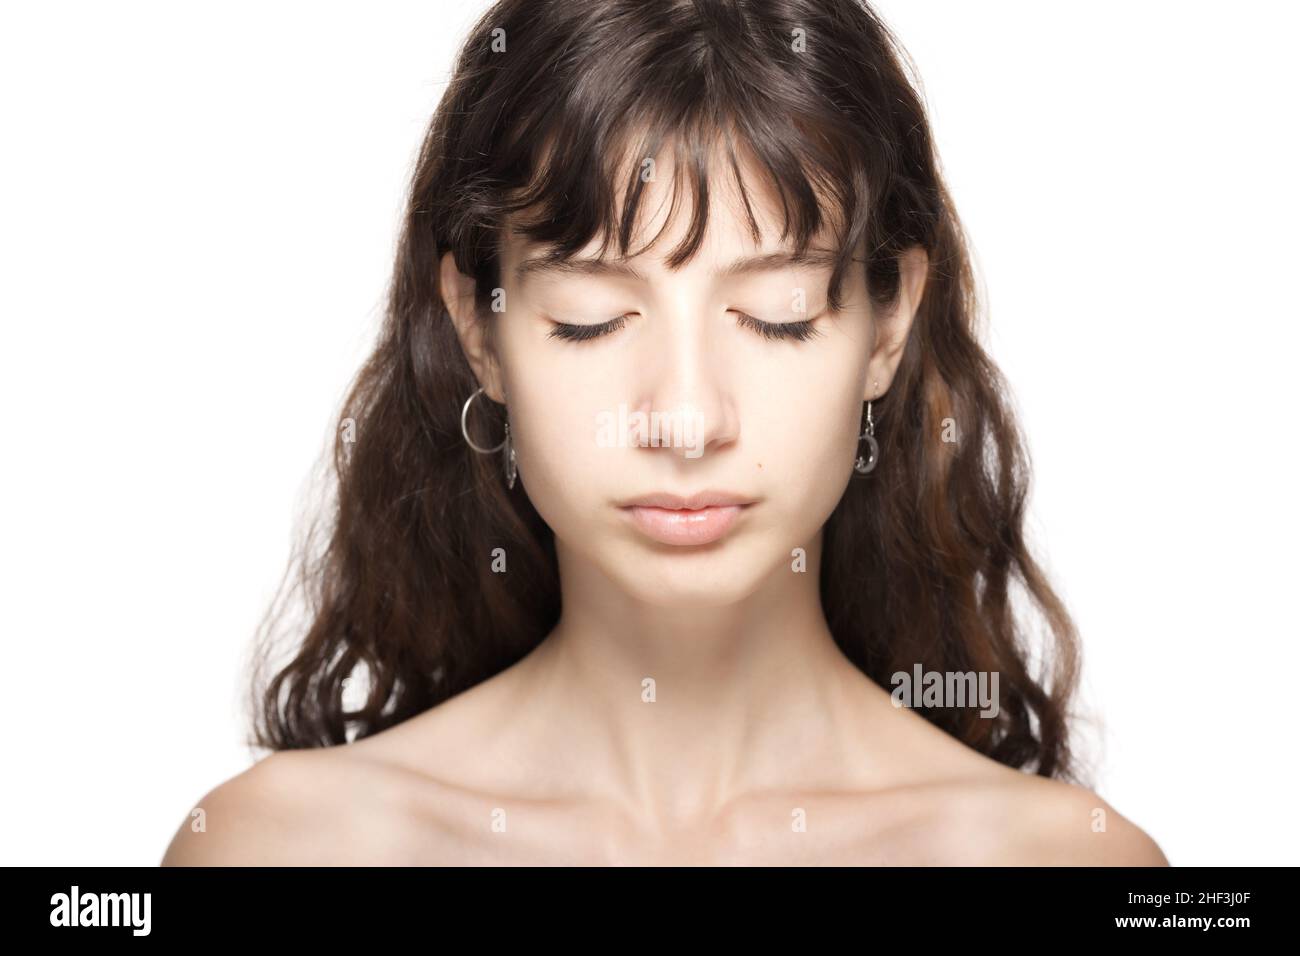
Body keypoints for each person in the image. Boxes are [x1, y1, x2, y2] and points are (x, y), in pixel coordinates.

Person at [163, 0, 1168, 865]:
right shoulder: (282, 851)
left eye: (777, 312)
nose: (686, 418)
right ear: (480, 328)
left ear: (889, 321)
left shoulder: (1073, 866)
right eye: (588, 318)